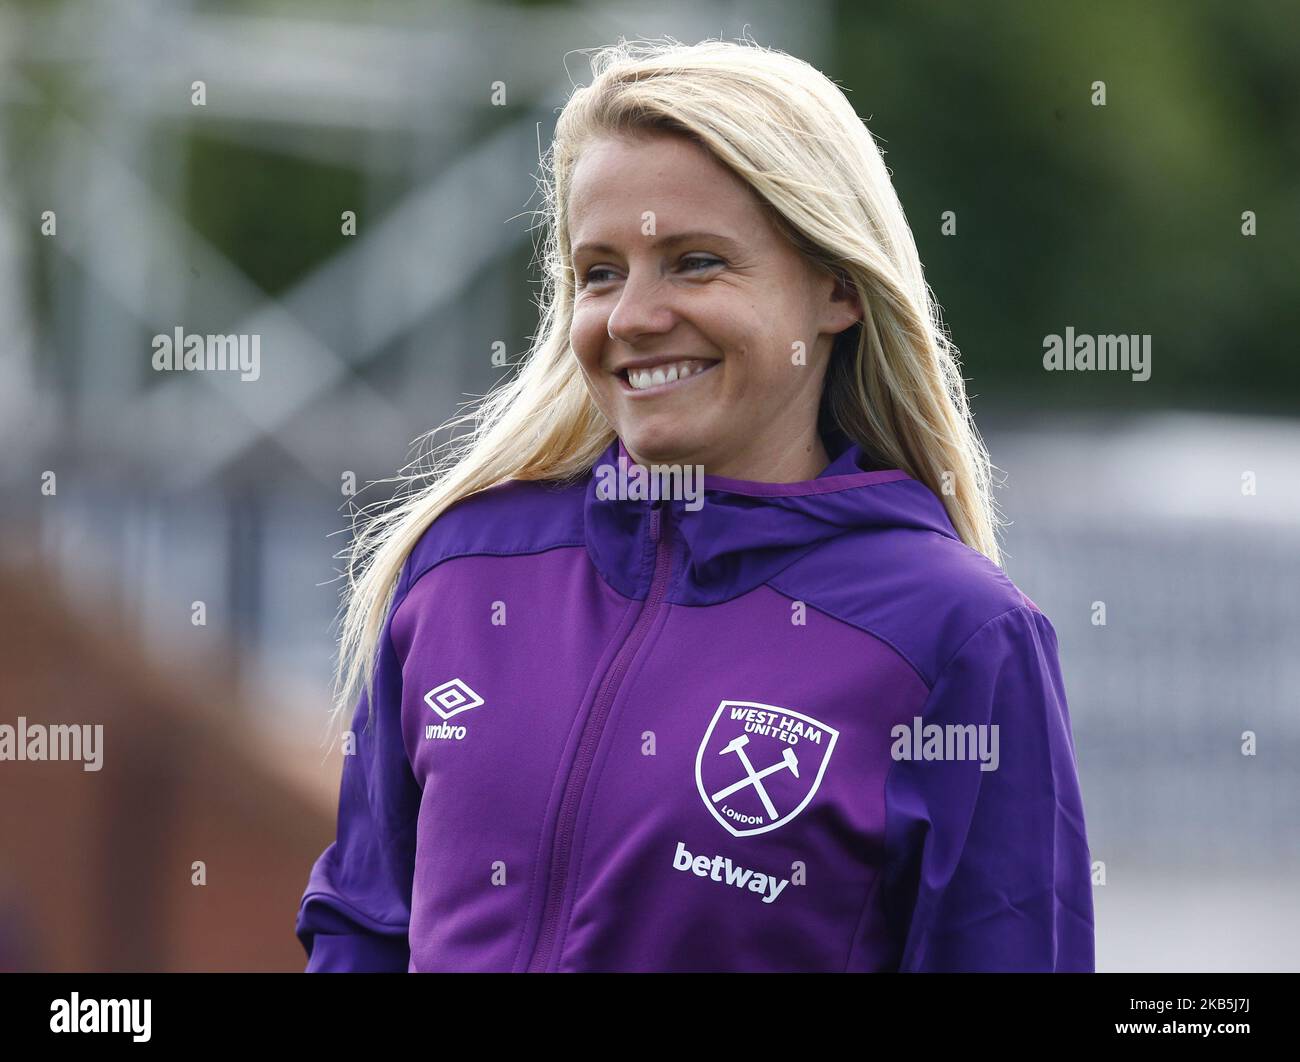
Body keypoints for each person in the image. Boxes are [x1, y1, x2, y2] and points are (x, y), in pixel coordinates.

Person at [295, 36, 1094, 972]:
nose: (632, 316)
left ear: (837, 287)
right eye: (600, 272)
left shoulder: (958, 635)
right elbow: (362, 930)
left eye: (696, 261)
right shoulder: (461, 568)